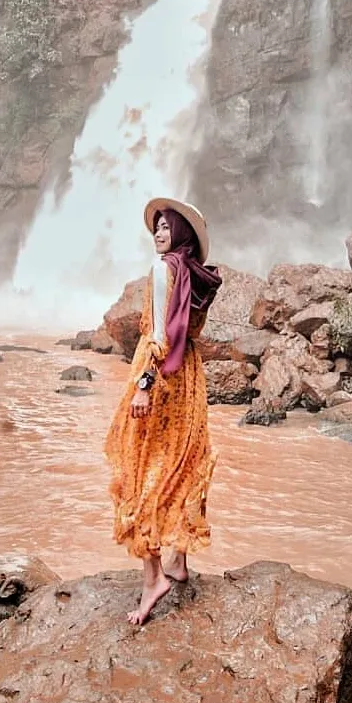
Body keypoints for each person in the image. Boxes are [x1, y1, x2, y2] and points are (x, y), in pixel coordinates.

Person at [104, 197, 223, 626]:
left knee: (144, 468)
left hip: (159, 374)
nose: (157, 233)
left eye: (166, 227)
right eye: (156, 227)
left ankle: (153, 579)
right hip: (189, 375)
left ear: (181, 233)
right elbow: (184, 332)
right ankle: (180, 561)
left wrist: (144, 386)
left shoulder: (162, 270)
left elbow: (158, 333)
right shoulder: (194, 274)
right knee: (184, 460)